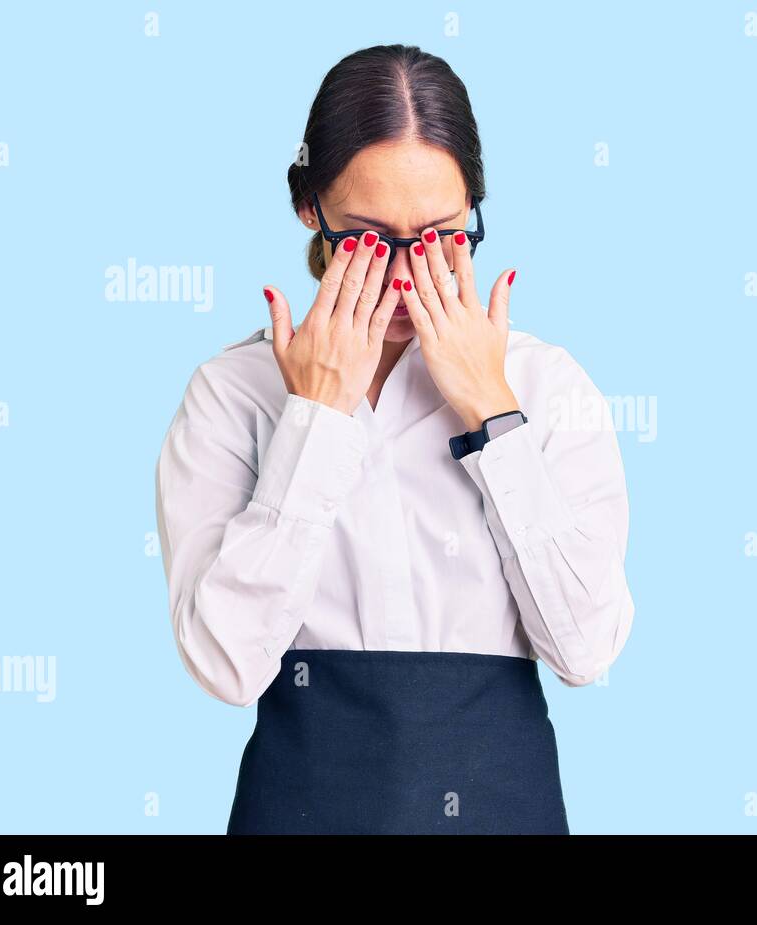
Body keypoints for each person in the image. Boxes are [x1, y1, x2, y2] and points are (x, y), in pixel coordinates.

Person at [153, 44, 634, 834]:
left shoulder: (547, 388)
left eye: (443, 236)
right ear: (313, 209)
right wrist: (316, 419)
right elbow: (225, 665)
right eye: (369, 241)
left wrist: (493, 415)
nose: (408, 278)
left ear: (474, 205)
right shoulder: (232, 395)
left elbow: (587, 651)